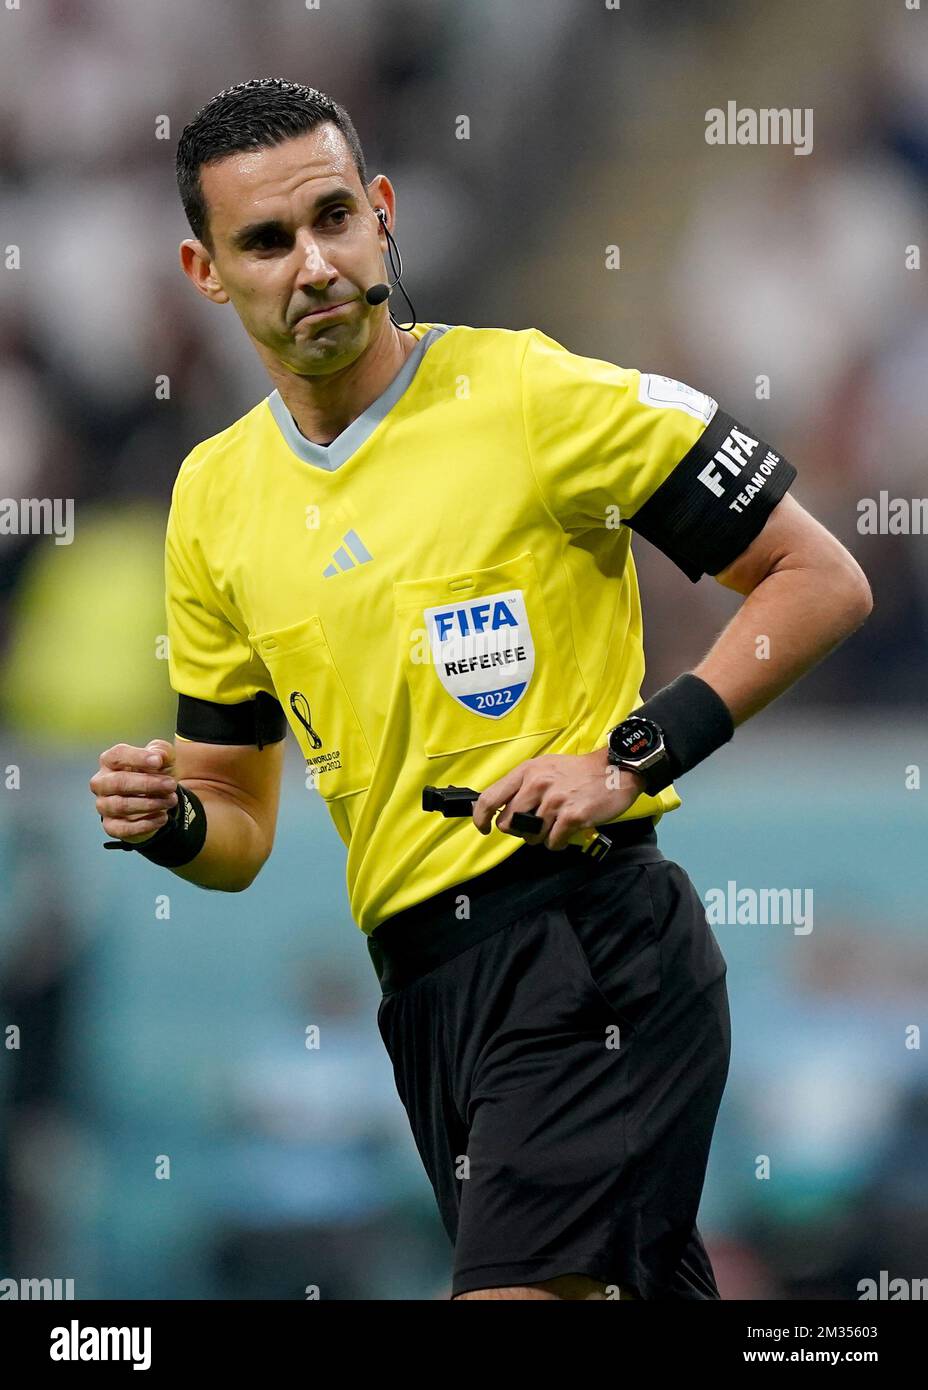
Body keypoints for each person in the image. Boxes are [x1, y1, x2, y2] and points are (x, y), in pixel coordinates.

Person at [89, 79, 873, 1300]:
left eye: (335, 218)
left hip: (587, 947)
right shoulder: (213, 500)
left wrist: (629, 758)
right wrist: (172, 820)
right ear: (205, 271)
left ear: (384, 214)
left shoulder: (532, 398)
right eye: (265, 241)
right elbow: (234, 821)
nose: (313, 263)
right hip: (424, 997)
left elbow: (817, 577)